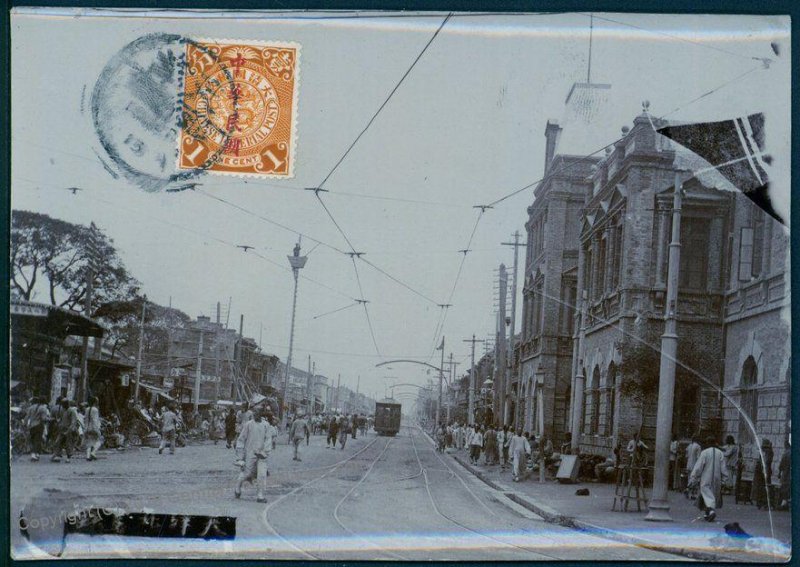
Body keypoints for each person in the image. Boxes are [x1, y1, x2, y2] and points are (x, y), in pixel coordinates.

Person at [234, 409, 277, 503]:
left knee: (261, 474)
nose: (255, 415)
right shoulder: (248, 424)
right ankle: (238, 486)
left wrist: (265, 452)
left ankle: (260, 495)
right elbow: (241, 439)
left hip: (262, 454)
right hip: (250, 453)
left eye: (257, 413)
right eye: (254, 413)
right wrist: (240, 456)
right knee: (247, 473)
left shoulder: (266, 425)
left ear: (261, 414)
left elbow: (268, 439)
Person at [688, 435, 729, 522]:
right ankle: (707, 513)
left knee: (707, 495)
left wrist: (693, 477)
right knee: (712, 495)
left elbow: (699, 466)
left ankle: (710, 511)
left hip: (706, 477)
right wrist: (725, 479)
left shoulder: (705, 452)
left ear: (707, 443)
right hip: (717, 478)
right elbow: (723, 467)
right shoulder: (720, 453)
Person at [751, 437, 774, 509]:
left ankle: (761, 502)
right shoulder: (768, 452)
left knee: (761, 487)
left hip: (763, 472)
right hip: (763, 472)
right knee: (763, 487)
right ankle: (762, 502)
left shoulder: (767, 452)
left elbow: (766, 463)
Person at [26, 397, 49, 462]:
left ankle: (35, 454)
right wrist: (50, 419)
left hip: (31, 426)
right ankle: (35, 455)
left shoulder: (30, 408)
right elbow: (44, 418)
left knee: (33, 440)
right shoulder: (43, 408)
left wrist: (25, 424)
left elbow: (27, 417)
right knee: (38, 440)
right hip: (39, 425)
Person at [84, 397, 101, 461]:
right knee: (99, 441)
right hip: (93, 427)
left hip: (87, 427)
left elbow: (85, 419)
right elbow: (95, 420)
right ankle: (93, 453)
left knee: (89, 442)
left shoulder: (87, 409)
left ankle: (88, 456)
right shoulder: (95, 410)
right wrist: (97, 429)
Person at [778, 439, 791, 510]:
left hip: (785, 474)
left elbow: (781, 465)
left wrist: (779, 473)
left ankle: (784, 504)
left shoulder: (785, 453)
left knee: (784, 488)